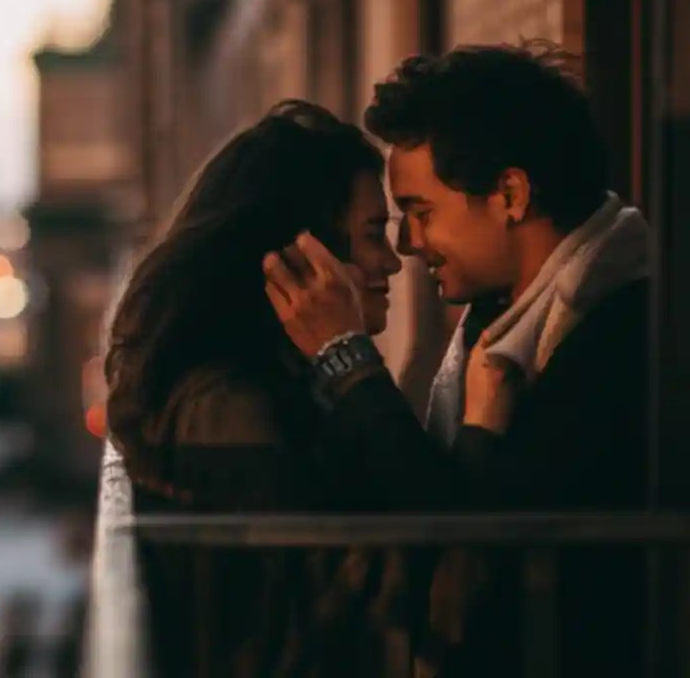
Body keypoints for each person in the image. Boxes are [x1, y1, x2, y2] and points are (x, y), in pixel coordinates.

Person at [263, 42, 650, 676]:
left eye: (420, 213)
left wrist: (347, 361)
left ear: (511, 195)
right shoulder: (500, 321)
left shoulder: (619, 334)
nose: (409, 246)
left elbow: (461, 552)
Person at [105, 100, 408, 677]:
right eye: (374, 234)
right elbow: (350, 589)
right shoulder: (227, 405)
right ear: (303, 251)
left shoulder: (279, 380)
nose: (392, 262)